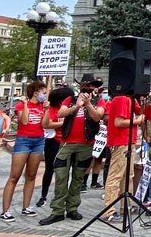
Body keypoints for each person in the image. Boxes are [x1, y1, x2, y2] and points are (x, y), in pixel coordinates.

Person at [40, 81, 104, 225]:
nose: (87, 89)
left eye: (90, 87)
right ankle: (57, 210)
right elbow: (61, 113)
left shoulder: (98, 101)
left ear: (94, 89)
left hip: (86, 144)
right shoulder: (70, 100)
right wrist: (76, 106)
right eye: (84, 87)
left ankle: (72, 208)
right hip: (67, 142)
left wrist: (88, 104)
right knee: (61, 176)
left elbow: (97, 117)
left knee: (78, 177)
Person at [0, 81, 48, 222]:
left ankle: (26, 206)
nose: (44, 96)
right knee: (14, 176)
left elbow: (44, 124)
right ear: (35, 92)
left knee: (31, 175)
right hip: (23, 140)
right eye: (43, 93)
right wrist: (26, 105)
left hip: (38, 140)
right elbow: (24, 121)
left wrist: (46, 110)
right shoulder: (22, 105)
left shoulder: (42, 106)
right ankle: (5, 210)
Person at [101, 92, 145, 222]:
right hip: (120, 142)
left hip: (128, 141)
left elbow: (140, 110)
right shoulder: (122, 99)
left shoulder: (130, 99)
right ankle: (109, 210)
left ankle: (126, 205)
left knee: (128, 176)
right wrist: (138, 120)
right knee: (116, 176)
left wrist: (144, 102)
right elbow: (118, 122)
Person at [38, 86, 74, 208]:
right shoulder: (52, 108)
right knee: (49, 169)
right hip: (53, 141)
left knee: (65, 170)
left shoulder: (69, 108)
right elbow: (47, 124)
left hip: (67, 142)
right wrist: (63, 123)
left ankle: (63, 195)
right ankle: (43, 195)